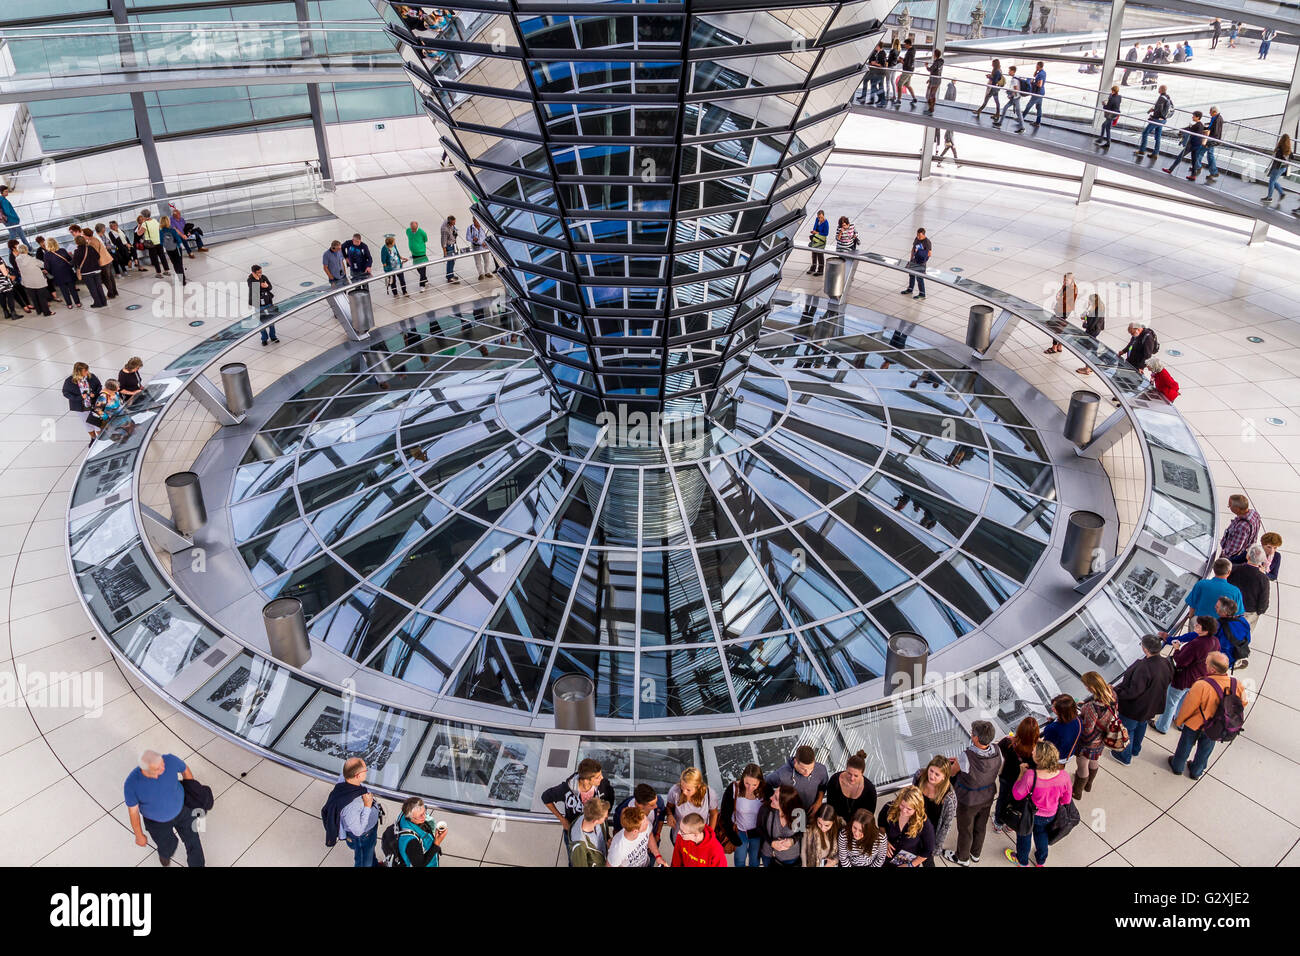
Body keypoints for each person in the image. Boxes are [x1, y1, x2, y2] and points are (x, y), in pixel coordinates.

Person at [1169, 652, 1247, 778]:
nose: (1205, 665)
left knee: (1185, 746)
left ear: (1212, 669)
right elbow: (1243, 703)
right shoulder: (1236, 684)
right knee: (1205, 750)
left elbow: (1189, 706)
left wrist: (1179, 721)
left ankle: (1177, 766)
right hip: (1218, 726)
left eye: (1206, 664)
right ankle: (1196, 771)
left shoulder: (1202, 685)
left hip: (1196, 724)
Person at [125, 750, 204, 867]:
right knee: (167, 845)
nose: (163, 768)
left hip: (183, 810)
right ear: (145, 771)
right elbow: (133, 812)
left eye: (162, 763)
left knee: (193, 839)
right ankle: (165, 855)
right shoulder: (132, 784)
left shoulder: (169, 760)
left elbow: (185, 769)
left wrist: (193, 790)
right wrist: (139, 835)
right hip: (157, 823)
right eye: (157, 768)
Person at [941, 719, 1002, 866]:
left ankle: (962, 858)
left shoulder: (966, 755)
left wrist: (955, 764)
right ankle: (975, 854)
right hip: (988, 795)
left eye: (972, 732)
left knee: (965, 829)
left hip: (969, 800)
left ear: (975, 738)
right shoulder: (997, 750)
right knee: (980, 827)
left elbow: (952, 772)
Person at [1109, 634, 1174, 766]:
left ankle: (1124, 756)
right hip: (1151, 705)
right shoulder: (1166, 663)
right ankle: (1135, 749)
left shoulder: (1144, 667)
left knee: (1127, 730)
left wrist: (1114, 692)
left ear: (1145, 649)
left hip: (1135, 707)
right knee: (1141, 725)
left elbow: (1132, 692)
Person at [1004, 741, 1071, 867]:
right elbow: (1066, 800)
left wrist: (1020, 774)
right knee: (1042, 835)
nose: (1032, 751)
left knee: (1024, 836)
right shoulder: (1064, 776)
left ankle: (1022, 861)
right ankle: (1041, 861)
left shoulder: (1031, 776)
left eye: (1035, 751)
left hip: (1030, 814)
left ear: (1039, 759)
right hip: (1050, 814)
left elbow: (1017, 795)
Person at [1151, 615, 1221, 735]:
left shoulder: (1196, 644)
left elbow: (1181, 661)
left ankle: (1162, 726)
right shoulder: (1215, 641)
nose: (1195, 626)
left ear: (1205, 630)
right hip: (1199, 678)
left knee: (1171, 701)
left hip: (1184, 678)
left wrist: (1177, 648)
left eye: (1198, 625)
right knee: (1185, 700)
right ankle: (1180, 721)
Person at [321, 757, 381, 866]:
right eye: (365, 770)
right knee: (363, 862)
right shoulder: (352, 805)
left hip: (368, 833)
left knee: (369, 852)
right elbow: (357, 831)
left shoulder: (344, 781)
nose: (367, 771)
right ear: (358, 776)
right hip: (362, 836)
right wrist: (367, 806)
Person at [541, 758, 617, 842]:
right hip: (574, 833)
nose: (602, 778)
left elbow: (610, 796)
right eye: (597, 777)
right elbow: (545, 797)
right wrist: (562, 819)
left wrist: (606, 812)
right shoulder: (566, 789)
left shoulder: (603, 785)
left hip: (597, 830)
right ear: (586, 780)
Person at [1073, 672, 1118, 798]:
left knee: (1082, 765)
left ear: (1091, 687)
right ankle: (1089, 784)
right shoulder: (1112, 694)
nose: (1085, 687)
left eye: (1086, 685)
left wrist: (1079, 715)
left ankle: (1077, 791)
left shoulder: (1091, 707)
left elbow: (1087, 729)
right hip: (1103, 737)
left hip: (1089, 742)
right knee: (1094, 760)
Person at [993, 717, 1039, 833]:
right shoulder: (1037, 752)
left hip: (1006, 778)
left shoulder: (1008, 743)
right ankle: (1010, 825)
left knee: (1002, 799)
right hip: (1023, 782)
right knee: (1016, 802)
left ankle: (998, 823)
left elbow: (996, 751)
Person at [717, 763, 767, 867]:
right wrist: (732, 836)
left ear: (760, 782)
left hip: (757, 832)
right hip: (739, 830)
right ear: (742, 778)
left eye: (754, 785)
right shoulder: (734, 788)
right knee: (739, 860)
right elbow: (725, 815)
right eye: (747, 783)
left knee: (755, 860)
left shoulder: (765, 790)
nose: (750, 788)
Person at [909, 754, 955, 865]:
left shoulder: (949, 798)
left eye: (937, 774)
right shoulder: (919, 776)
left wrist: (936, 846)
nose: (932, 776)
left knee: (927, 862)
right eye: (931, 770)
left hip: (930, 834)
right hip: (913, 826)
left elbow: (946, 825)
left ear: (944, 777)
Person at [765, 744, 829, 815]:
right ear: (795, 762)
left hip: (812, 811)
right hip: (790, 814)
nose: (808, 772)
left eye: (811, 768)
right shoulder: (781, 775)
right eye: (803, 769)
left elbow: (823, 786)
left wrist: (818, 802)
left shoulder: (821, 769)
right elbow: (766, 784)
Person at [879, 785, 934, 867]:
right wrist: (884, 840)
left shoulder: (924, 824)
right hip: (886, 858)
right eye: (902, 805)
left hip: (908, 862)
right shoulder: (889, 808)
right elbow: (881, 824)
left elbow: (928, 850)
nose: (904, 811)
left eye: (909, 809)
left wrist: (910, 865)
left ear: (917, 809)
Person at [611, 783, 666, 863]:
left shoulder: (659, 801)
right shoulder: (621, 812)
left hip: (650, 850)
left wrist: (657, 835)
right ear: (639, 805)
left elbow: (660, 818)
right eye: (651, 805)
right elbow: (617, 831)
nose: (656, 806)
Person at [665, 766, 719, 839]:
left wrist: (710, 835)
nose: (684, 792)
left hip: (700, 839)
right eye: (682, 787)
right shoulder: (675, 790)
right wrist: (669, 815)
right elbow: (669, 807)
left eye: (688, 789)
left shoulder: (710, 794)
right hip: (680, 837)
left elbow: (714, 814)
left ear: (698, 786)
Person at [758, 783, 804, 866]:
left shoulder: (799, 813)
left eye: (775, 798)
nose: (771, 798)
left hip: (791, 857)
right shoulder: (765, 809)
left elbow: (801, 832)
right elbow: (759, 828)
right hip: (769, 855)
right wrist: (771, 843)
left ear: (785, 803)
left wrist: (792, 840)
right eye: (773, 794)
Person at [825, 750, 877, 821]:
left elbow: (868, 816)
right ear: (846, 768)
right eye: (849, 774)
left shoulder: (870, 790)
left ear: (862, 773)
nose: (852, 778)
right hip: (835, 821)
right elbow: (830, 807)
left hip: (857, 826)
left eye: (856, 776)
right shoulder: (835, 780)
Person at [394, 797, 446, 867]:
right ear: (410, 818)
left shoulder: (407, 811)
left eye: (424, 812)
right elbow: (419, 865)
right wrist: (436, 843)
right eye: (420, 815)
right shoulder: (412, 842)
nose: (424, 817)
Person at [63, 362, 103, 444]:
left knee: (97, 422)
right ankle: (93, 439)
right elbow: (66, 393)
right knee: (87, 423)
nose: (87, 372)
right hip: (80, 406)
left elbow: (99, 386)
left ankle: (100, 440)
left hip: (94, 404)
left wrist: (94, 393)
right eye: (85, 371)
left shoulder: (91, 376)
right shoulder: (69, 381)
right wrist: (80, 397)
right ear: (78, 371)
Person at [1040, 693, 1083, 768]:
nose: (1052, 708)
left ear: (1062, 712)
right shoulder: (1078, 720)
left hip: (1057, 758)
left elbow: (1046, 746)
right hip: (1068, 754)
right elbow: (1066, 732)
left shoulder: (1052, 728)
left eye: (1054, 707)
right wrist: (1053, 721)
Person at [1163, 111, 1207, 181]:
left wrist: (1181, 130)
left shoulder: (1197, 125)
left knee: (1180, 157)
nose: (1192, 117)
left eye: (1194, 116)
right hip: (1197, 145)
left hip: (1192, 144)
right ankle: (1193, 175)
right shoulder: (1201, 124)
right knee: (1194, 160)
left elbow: (1189, 129)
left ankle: (1170, 169)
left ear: (1197, 117)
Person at [1220, 495, 1262, 564]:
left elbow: (1233, 549)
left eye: (1229, 506)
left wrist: (1223, 557)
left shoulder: (1242, 527)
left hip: (1234, 559)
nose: (1229, 507)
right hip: (1247, 550)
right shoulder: (1254, 513)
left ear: (1237, 509)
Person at [569, 798, 610, 867]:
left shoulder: (590, 815)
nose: (607, 817)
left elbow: (606, 837)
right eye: (605, 817)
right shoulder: (579, 846)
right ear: (595, 821)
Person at [1135, 86, 1173, 159]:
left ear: (1161, 90)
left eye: (1159, 89)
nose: (1158, 90)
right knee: (1158, 136)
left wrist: (1152, 116)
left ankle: (1142, 150)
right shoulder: (1168, 97)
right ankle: (1155, 153)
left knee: (1145, 133)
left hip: (1157, 119)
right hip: (1163, 120)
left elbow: (1158, 109)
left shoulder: (1161, 98)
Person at [70, 235, 108, 309]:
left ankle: (98, 303)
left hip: (86, 272)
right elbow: (98, 256)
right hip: (96, 270)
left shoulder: (77, 251)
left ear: (77, 243)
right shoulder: (90, 248)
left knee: (92, 288)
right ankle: (104, 301)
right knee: (99, 286)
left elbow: (74, 262)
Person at [1215, 596, 1252, 671]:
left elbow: (1215, 643)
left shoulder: (1219, 625)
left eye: (1217, 607)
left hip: (1221, 658)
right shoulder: (1242, 620)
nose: (1214, 607)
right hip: (1234, 656)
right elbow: (1248, 639)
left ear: (1224, 612)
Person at [247, 266, 280, 346]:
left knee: (271, 320)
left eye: (261, 272)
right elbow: (254, 289)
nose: (260, 274)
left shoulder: (264, 277)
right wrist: (259, 282)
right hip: (258, 304)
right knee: (261, 322)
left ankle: (273, 336)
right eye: (258, 272)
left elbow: (270, 287)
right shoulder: (250, 279)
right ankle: (264, 339)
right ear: (253, 273)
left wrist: (266, 286)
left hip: (267, 301)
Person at [1045, 272, 1077, 354]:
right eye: (1064, 279)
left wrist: (1059, 298)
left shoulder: (1072, 289)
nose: (1064, 281)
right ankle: (1059, 345)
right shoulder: (1067, 285)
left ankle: (1054, 347)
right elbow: (1061, 292)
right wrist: (1059, 295)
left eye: (1066, 280)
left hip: (1064, 310)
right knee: (1060, 327)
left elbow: (1066, 301)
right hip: (1062, 309)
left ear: (1071, 280)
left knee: (1056, 328)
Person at [14, 244, 50, 315]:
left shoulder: (17, 259)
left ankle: (39, 311)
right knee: (42, 297)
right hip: (37, 280)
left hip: (27, 281)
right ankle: (47, 312)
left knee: (34, 297)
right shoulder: (32, 259)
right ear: (26, 250)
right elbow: (43, 264)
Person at [44, 239, 79, 310]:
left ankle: (69, 304)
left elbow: (47, 267)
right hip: (68, 272)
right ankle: (77, 303)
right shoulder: (62, 250)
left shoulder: (47, 255)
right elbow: (69, 259)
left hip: (58, 275)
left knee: (64, 290)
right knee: (72, 289)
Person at [1074, 293, 1105, 374]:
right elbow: (1088, 316)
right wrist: (1085, 316)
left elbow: (1091, 324)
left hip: (1092, 331)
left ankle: (1087, 369)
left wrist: (1084, 324)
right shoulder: (1097, 307)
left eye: (1089, 301)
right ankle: (1089, 367)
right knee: (1091, 348)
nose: (1088, 302)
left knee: (1088, 349)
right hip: (1095, 330)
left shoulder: (1097, 310)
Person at [900, 227, 931, 299]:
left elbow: (929, 254)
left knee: (919, 278)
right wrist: (911, 259)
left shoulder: (927, 242)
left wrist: (922, 256)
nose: (918, 237)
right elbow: (913, 249)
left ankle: (922, 294)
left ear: (923, 234)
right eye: (917, 235)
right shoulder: (916, 239)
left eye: (919, 236)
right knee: (911, 275)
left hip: (921, 263)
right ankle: (910, 289)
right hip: (914, 260)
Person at [1263, 134, 1292, 203]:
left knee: (1272, 181)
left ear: (1281, 140)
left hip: (1277, 168)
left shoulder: (1280, 149)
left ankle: (1269, 198)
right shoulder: (1288, 149)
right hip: (1284, 168)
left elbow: (1276, 157)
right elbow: (1292, 157)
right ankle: (1281, 193)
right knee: (1274, 181)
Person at [158, 216, 187, 284]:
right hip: (176, 248)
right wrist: (181, 244)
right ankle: (183, 280)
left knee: (174, 264)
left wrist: (165, 247)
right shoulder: (172, 230)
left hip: (168, 249)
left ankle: (180, 278)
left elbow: (161, 241)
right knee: (179, 263)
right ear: (168, 221)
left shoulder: (161, 231)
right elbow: (177, 238)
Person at [138, 210, 167, 276]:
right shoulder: (155, 221)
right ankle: (167, 270)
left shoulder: (144, 224)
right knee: (162, 257)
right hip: (159, 241)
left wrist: (139, 225)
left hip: (151, 244)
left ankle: (159, 273)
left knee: (155, 259)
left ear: (143, 216)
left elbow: (139, 233)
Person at [405, 220, 429, 288]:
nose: (413, 230)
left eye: (414, 229)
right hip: (414, 254)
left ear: (417, 226)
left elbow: (425, 239)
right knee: (418, 269)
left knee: (422, 270)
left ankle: (422, 285)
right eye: (412, 228)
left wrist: (419, 246)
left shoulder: (422, 232)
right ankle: (425, 278)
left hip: (422, 254)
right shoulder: (408, 231)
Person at [1202, 107, 1223, 183]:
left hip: (1211, 139)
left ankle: (1198, 167)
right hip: (1211, 139)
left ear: (1214, 112)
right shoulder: (1216, 117)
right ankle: (1213, 172)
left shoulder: (1217, 119)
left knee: (1201, 153)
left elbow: (1216, 132)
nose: (1209, 113)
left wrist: (1209, 142)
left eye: (1210, 111)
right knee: (1209, 154)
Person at [1002, 65, 1026, 132]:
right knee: (1005, 108)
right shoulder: (1017, 76)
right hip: (1016, 97)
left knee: (1018, 112)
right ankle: (1000, 123)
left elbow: (1016, 89)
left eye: (1009, 70)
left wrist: (1011, 95)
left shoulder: (1014, 80)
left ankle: (1022, 128)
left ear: (1012, 71)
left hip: (1015, 98)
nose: (1008, 72)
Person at [863, 40, 888, 105]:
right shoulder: (879, 52)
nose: (875, 47)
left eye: (876, 45)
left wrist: (874, 63)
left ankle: (883, 100)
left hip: (880, 72)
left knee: (874, 86)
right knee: (880, 87)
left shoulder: (882, 53)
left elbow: (882, 64)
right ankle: (882, 100)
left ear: (878, 46)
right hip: (879, 72)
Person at [807, 209, 829, 276]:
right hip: (816, 239)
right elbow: (815, 226)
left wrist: (816, 232)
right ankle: (813, 268)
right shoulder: (817, 219)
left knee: (820, 255)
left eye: (821, 217)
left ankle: (820, 271)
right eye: (819, 217)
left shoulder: (826, 223)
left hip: (821, 240)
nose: (820, 219)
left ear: (823, 216)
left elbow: (826, 233)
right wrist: (813, 231)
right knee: (814, 254)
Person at [897, 36, 917, 105]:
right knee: (907, 85)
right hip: (911, 70)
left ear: (908, 44)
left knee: (899, 84)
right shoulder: (912, 50)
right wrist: (903, 59)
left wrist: (900, 61)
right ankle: (914, 98)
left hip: (907, 71)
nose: (904, 45)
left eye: (905, 44)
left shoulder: (909, 53)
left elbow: (906, 64)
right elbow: (909, 61)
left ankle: (898, 100)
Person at [923, 47, 944, 114]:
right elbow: (935, 71)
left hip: (934, 80)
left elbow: (930, 70)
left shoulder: (936, 63)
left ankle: (931, 109)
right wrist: (929, 79)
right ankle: (931, 108)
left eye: (934, 54)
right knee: (933, 94)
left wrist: (926, 66)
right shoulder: (941, 62)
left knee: (930, 95)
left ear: (935, 55)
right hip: (937, 80)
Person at [441, 215, 460, 283]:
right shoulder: (444, 229)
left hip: (453, 244)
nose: (454, 224)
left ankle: (451, 274)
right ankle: (449, 277)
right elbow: (443, 241)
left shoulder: (450, 224)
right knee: (450, 262)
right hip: (449, 246)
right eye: (453, 223)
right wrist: (445, 252)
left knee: (453, 261)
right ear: (449, 222)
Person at [1027, 61, 1046, 126]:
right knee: (1039, 107)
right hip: (1041, 92)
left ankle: (1020, 118)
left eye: (1036, 66)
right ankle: (1038, 122)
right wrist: (1036, 71)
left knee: (1028, 106)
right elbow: (1034, 76)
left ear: (1038, 66)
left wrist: (1032, 83)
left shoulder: (1041, 74)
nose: (1036, 67)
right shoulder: (1041, 72)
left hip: (1038, 93)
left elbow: (1040, 84)